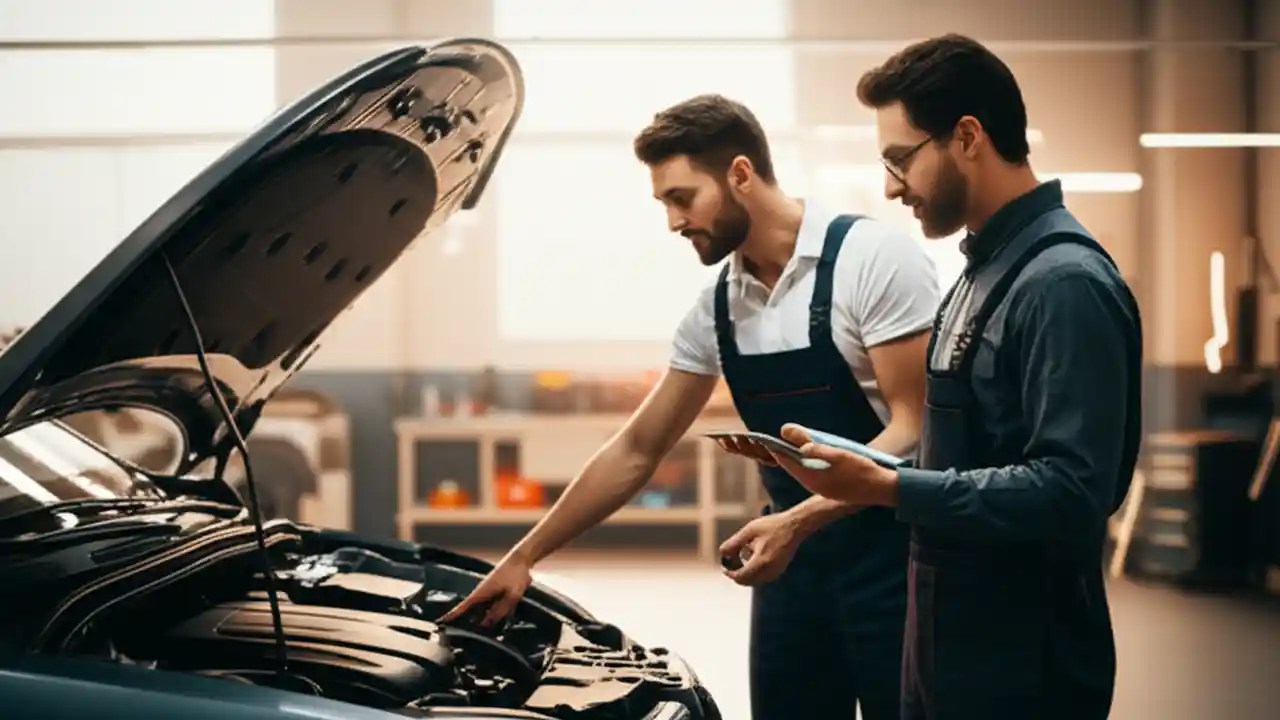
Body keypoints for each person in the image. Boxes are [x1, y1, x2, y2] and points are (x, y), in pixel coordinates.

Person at [441, 94, 941, 719]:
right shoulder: (718, 309)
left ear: (740, 174)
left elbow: (915, 430)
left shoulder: (872, 261)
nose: (674, 222)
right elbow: (635, 448)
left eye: (682, 198)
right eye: (665, 204)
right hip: (788, 570)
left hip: (894, 561)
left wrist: (797, 522)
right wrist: (524, 556)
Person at [764, 34, 1143, 720]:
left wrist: (888, 485)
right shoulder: (980, 273)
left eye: (899, 159)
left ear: (967, 136)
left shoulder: (1063, 284)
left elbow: (1073, 489)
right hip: (953, 641)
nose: (888, 185)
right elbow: (954, 453)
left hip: (1025, 663)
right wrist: (835, 491)